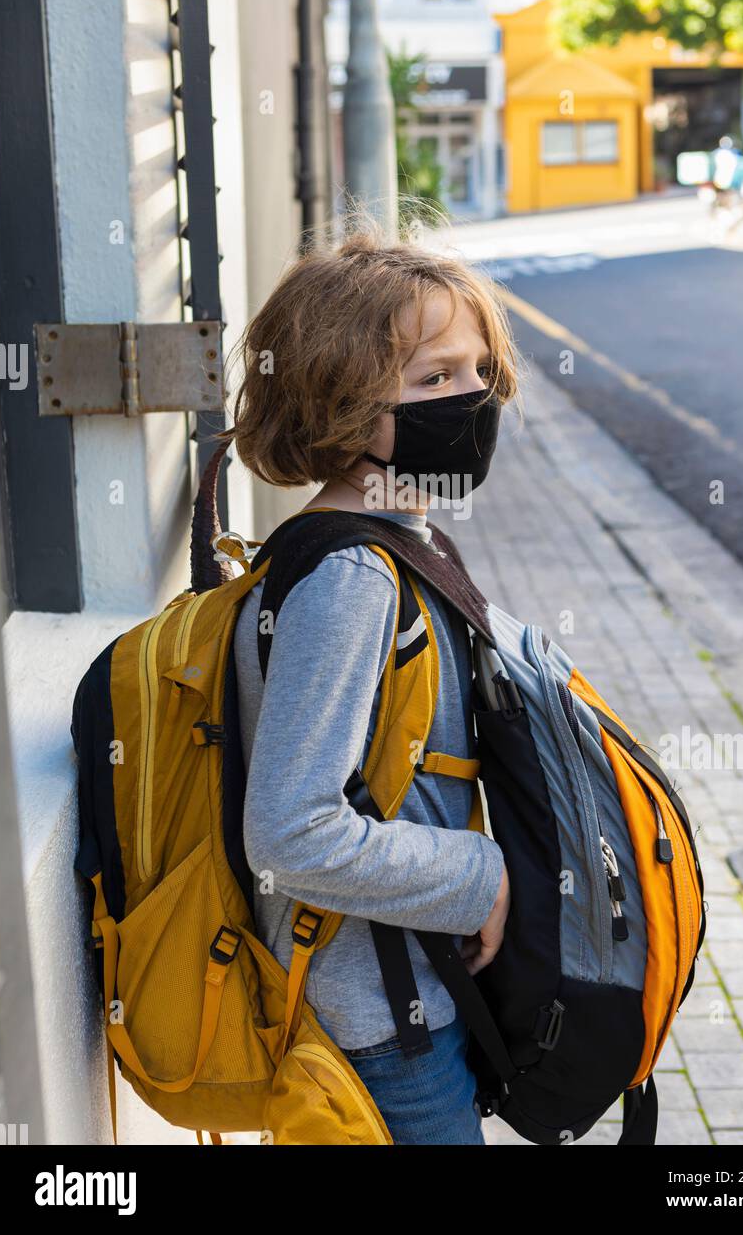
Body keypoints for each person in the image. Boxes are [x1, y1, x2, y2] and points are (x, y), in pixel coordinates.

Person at [226, 215, 524, 1144]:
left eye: (479, 370)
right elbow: (290, 834)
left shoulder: (399, 539)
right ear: (340, 403)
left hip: (408, 1002)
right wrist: (480, 877)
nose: (472, 398)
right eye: (435, 379)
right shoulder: (352, 579)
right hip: (380, 1036)